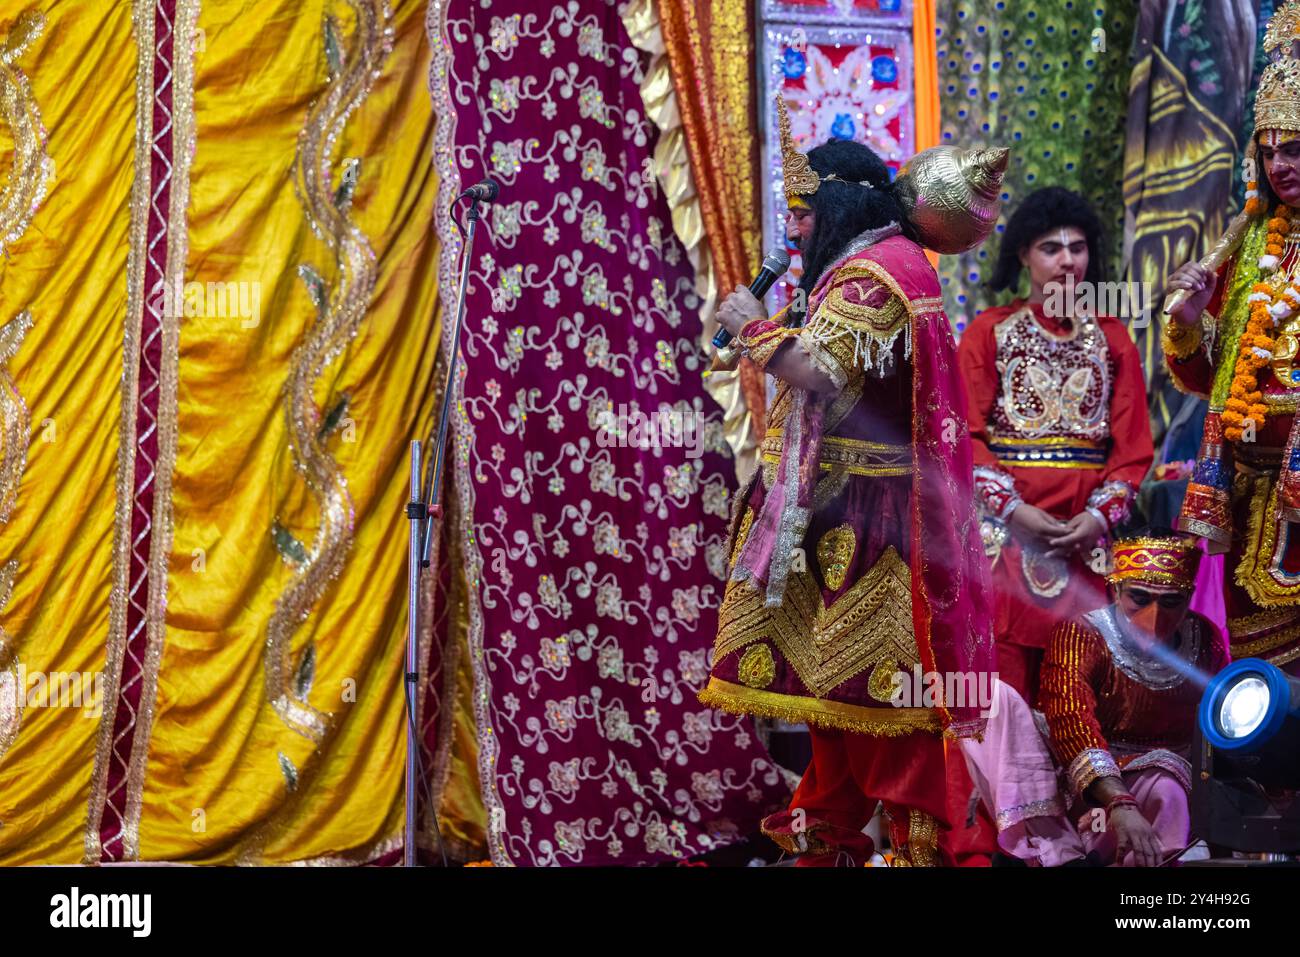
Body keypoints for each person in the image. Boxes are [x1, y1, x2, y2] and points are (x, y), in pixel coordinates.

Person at [696, 96, 998, 866]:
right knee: (836, 712)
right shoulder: (871, 263)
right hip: (843, 514)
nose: (792, 230)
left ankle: (921, 852)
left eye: (800, 212)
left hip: (876, 527)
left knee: (885, 717)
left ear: (834, 203)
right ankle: (821, 847)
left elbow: (820, 370)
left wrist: (752, 324)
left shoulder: (873, 274)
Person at [948, 188, 1155, 865]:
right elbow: (965, 438)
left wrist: (1098, 514)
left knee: (1077, 693)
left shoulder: (1115, 337)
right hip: (1006, 549)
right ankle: (1011, 844)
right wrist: (1017, 511)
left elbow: (1132, 453)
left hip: (1088, 553)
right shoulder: (987, 334)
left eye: (1077, 246)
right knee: (1002, 697)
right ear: (1024, 258)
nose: (1066, 260)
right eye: (1050, 248)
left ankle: (1091, 838)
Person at [1165, 2, 1300, 675]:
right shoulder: (1246, 244)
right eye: (1269, 150)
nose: (1280, 165)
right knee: (1261, 700)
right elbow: (1208, 375)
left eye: (1295, 147)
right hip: (1251, 506)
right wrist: (1189, 319)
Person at [960, 530, 1227, 866]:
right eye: (1140, 599)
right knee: (993, 698)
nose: (1155, 616)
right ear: (1115, 590)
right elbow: (1071, 719)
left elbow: (1219, 726)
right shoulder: (1082, 632)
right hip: (1080, 786)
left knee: (1167, 785)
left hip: (1163, 782)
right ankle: (1060, 854)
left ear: (1189, 597)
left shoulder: (1204, 637)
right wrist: (1118, 801)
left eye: (1171, 602)